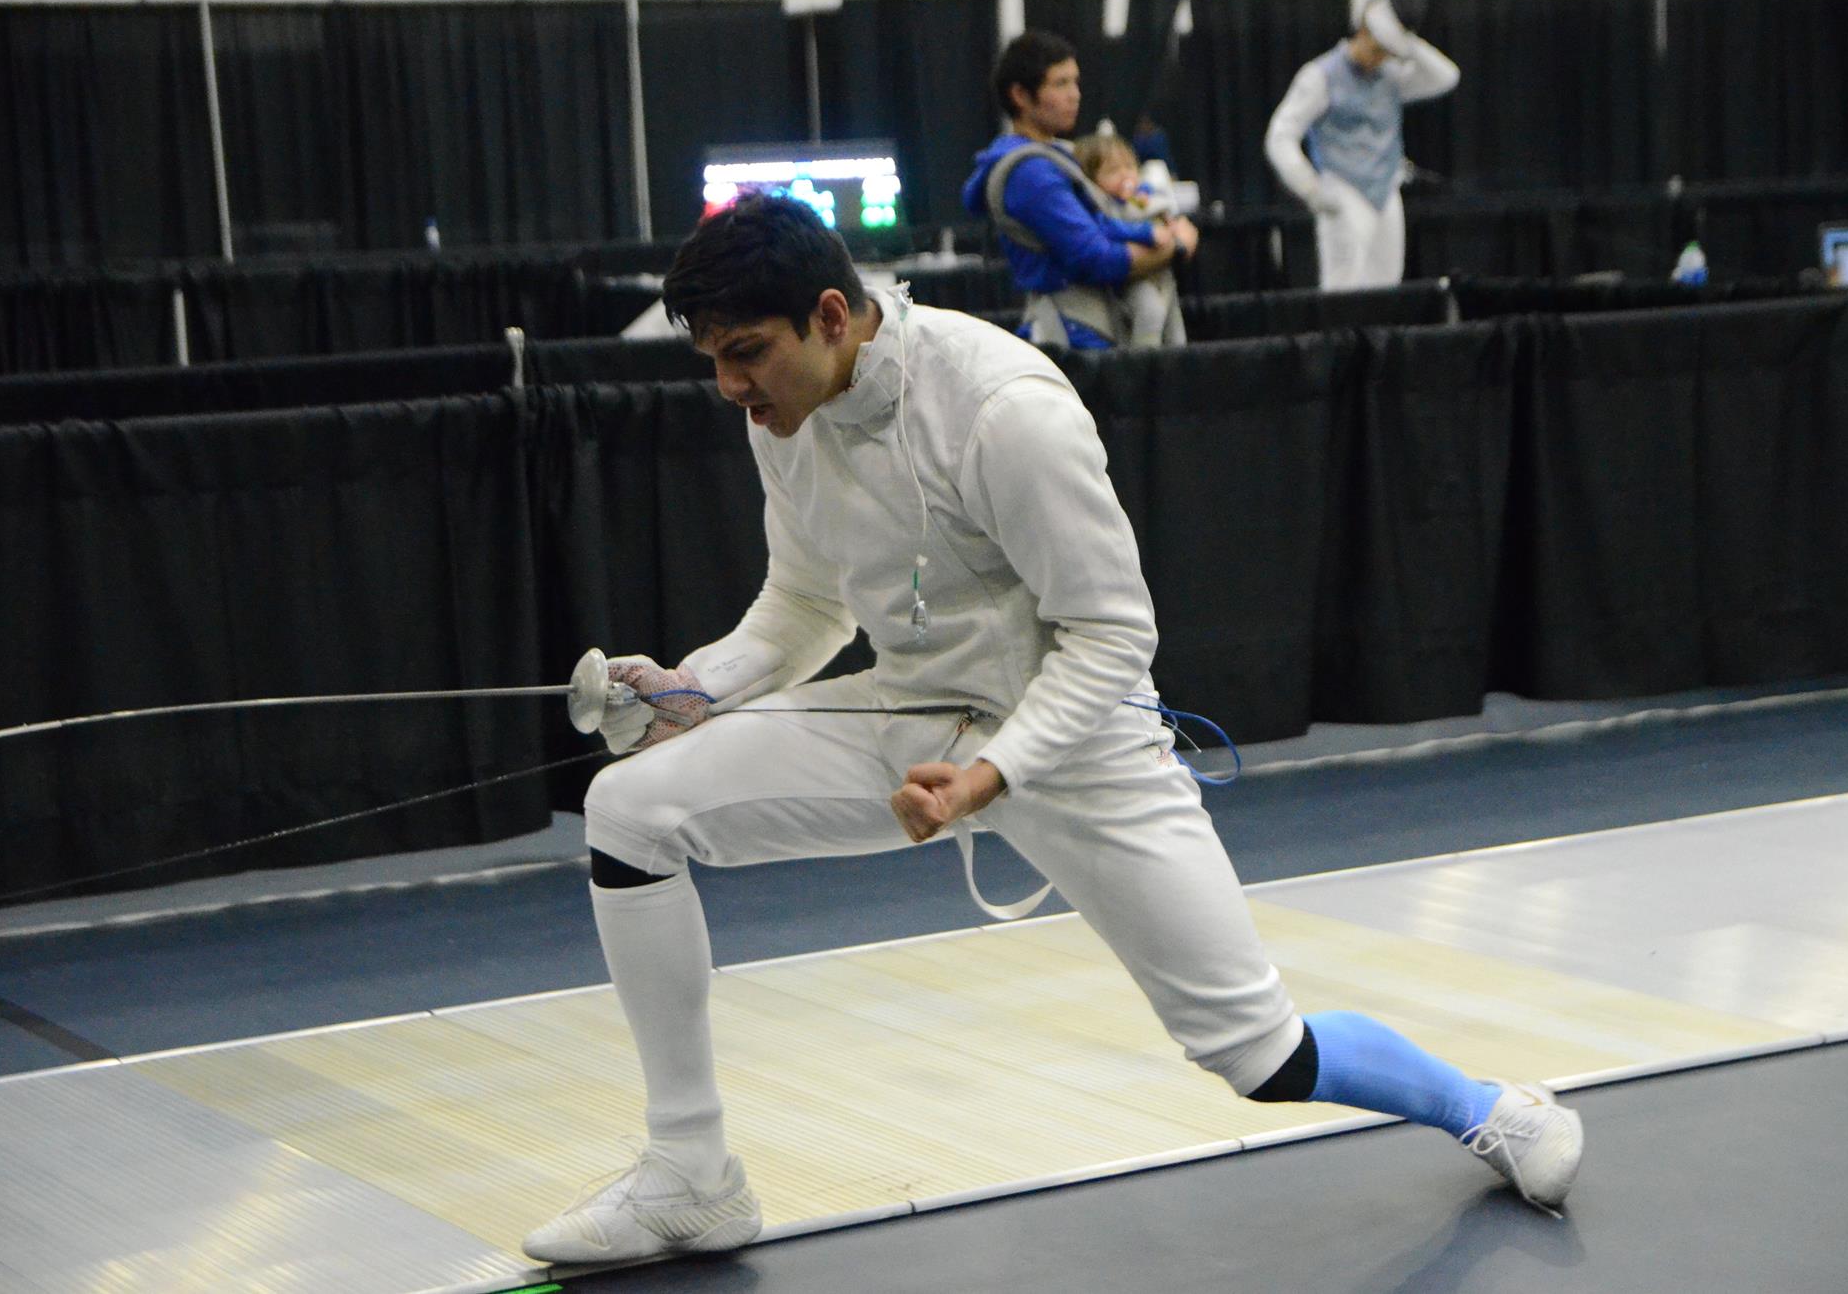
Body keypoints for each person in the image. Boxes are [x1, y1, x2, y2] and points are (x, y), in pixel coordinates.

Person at [517, 194, 1584, 1267]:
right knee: (631, 809)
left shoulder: (1000, 407)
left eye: (745, 354)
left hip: (1079, 743)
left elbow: (1113, 635)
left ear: (831, 316)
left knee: (1260, 1054)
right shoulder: (783, 420)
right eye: (711, 359)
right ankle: (692, 1179)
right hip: (912, 715)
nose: (729, 387)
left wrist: (990, 775)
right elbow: (803, 605)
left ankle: (1496, 1108)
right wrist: (699, 688)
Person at [962, 30, 1199, 348]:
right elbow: (1096, 259)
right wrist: (1176, 245)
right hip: (1075, 339)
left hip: (1094, 329)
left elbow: (1118, 207)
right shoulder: (1031, 172)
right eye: (1060, 84)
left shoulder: (1058, 156)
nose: (1075, 94)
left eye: (1075, 82)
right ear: (1020, 95)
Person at [1264, 0, 1459, 291]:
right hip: (1343, 192)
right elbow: (1280, 136)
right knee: (1344, 291)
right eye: (1378, 48)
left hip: (1386, 192)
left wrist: (1406, 40)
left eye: (1388, 52)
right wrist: (1311, 189)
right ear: (1363, 29)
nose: (1380, 58)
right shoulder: (1321, 75)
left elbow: (1447, 77)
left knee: (1387, 289)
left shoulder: (1390, 77)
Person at [1074, 132, 1187, 348]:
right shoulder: (1102, 207)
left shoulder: (1140, 197)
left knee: (1175, 331)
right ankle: (1144, 369)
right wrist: (1146, 233)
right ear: (1092, 179)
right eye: (1113, 171)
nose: (1126, 176)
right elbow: (1109, 228)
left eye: (1130, 167)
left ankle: (1178, 369)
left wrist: (1169, 221)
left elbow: (1161, 209)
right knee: (1150, 313)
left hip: (1163, 275)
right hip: (1135, 280)